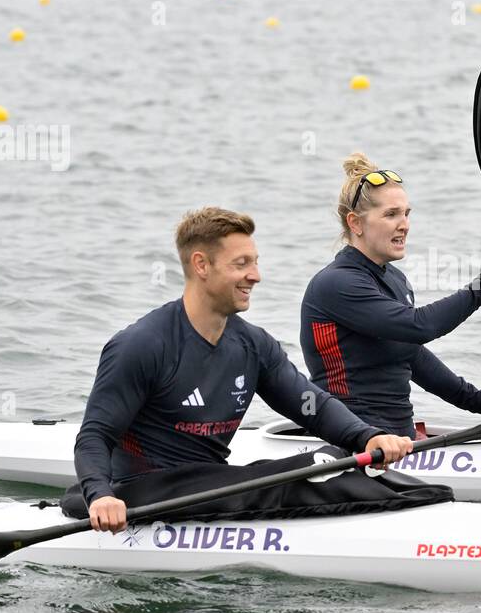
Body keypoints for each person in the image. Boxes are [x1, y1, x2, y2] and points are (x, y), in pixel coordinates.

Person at [63, 206, 450, 534]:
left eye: (256, 262)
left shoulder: (252, 345)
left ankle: (428, 503)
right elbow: (95, 436)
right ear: (201, 265)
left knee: (334, 456)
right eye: (241, 264)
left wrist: (367, 437)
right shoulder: (143, 344)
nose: (256, 275)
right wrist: (100, 495)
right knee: (316, 467)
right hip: (141, 492)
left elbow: (310, 404)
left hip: (209, 485)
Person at [300, 152, 481, 439]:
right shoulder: (336, 284)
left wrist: (479, 401)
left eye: (407, 213)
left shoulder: (395, 280)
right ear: (355, 223)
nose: (404, 224)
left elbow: (412, 354)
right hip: (348, 439)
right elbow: (420, 326)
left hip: (398, 439)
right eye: (391, 214)